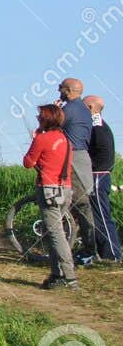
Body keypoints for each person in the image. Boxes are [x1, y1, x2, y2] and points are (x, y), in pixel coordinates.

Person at [23, 103, 78, 289]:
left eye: (40, 117)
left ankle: (70, 277)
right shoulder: (66, 140)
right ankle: (57, 274)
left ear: (45, 119)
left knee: (56, 234)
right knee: (55, 231)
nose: (38, 118)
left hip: (48, 189)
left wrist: (36, 137)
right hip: (66, 189)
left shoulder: (42, 139)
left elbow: (28, 162)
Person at [57, 78, 97, 262]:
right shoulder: (83, 109)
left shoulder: (70, 109)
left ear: (69, 90)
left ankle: (88, 249)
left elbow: (51, 127)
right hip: (82, 157)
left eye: (61, 88)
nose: (59, 90)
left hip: (73, 159)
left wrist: (54, 110)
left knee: (79, 204)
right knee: (79, 205)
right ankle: (83, 246)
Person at [83, 94, 119, 262]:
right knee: (96, 216)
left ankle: (112, 255)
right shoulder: (99, 124)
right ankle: (99, 251)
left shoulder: (96, 126)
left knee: (101, 217)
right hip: (99, 174)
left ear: (90, 108)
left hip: (97, 175)